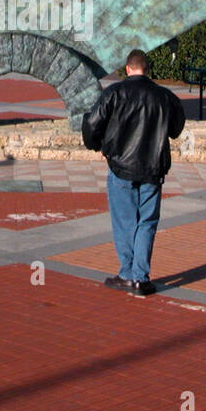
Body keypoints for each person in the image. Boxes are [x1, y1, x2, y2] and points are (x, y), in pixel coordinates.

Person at [82, 48, 186, 297]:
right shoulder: (164, 96)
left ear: (127, 69)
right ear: (146, 69)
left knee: (125, 221)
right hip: (152, 168)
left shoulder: (115, 93)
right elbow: (176, 127)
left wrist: (98, 146)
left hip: (121, 167)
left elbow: (91, 123)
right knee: (147, 221)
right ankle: (140, 277)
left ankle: (128, 273)